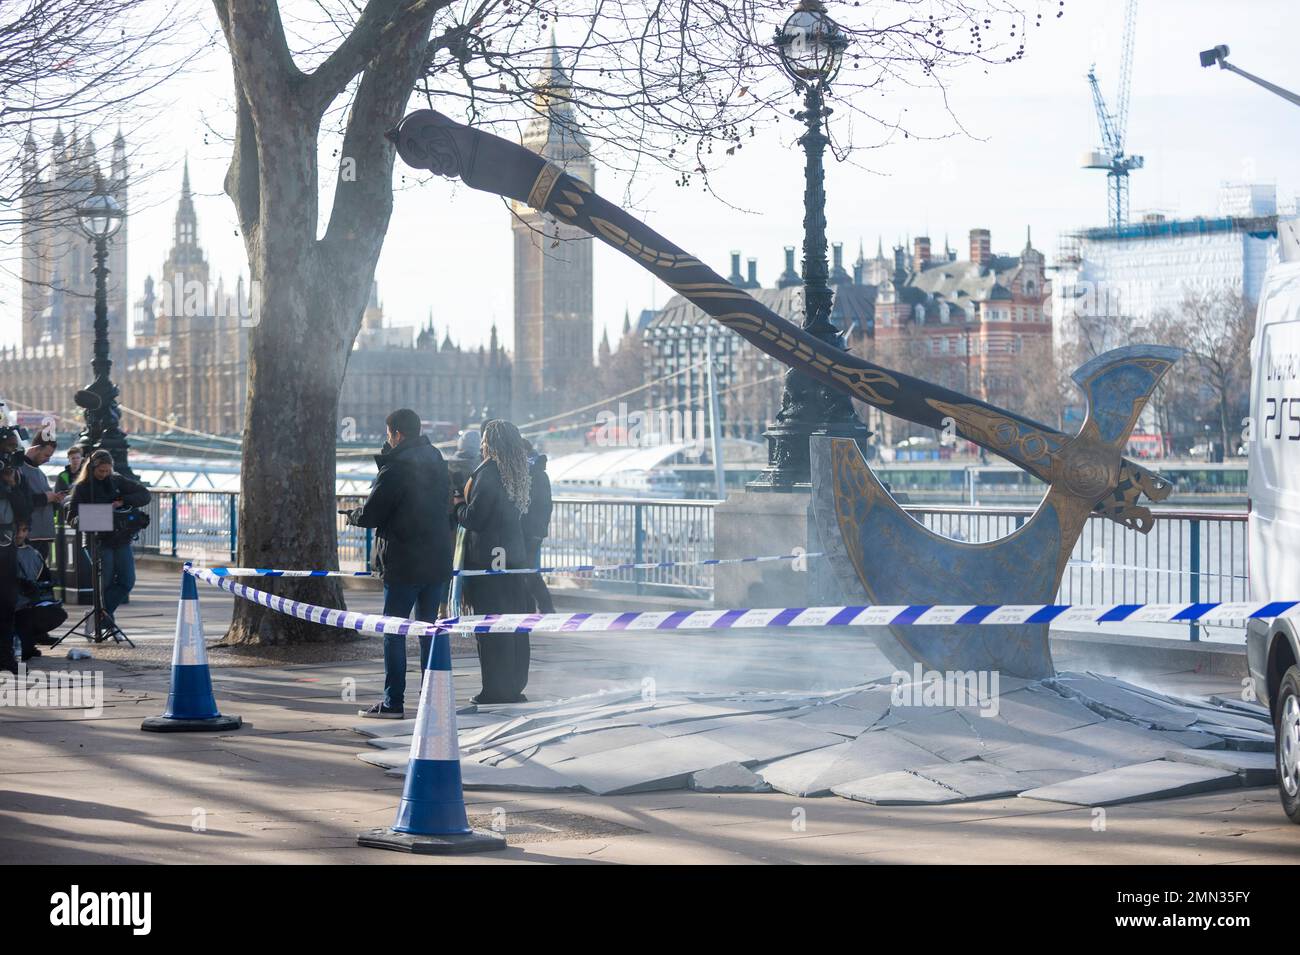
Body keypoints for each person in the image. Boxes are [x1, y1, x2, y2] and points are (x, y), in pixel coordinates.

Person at [347, 409, 453, 718]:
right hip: (436, 562)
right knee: (428, 632)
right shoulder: (437, 461)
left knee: (394, 632)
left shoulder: (396, 469)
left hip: (404, 562)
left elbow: (372, 514)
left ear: (397, 434)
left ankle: (393, 701)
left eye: (388, 433)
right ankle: (431, 700)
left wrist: (353, 515)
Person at [456, 419, 532, 704]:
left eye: (486, 439)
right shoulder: (518, 472)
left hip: (487, 561)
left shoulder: (489, 473)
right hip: (513, 560)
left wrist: (458, 507)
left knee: (489, 626)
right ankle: (513, 685)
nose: (483, 444)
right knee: (513, 625)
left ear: (492, 443)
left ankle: (494, 689)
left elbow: (476, 518)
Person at [66, 449, 150, 627]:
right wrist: (93, 515)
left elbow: (144, 495)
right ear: (91, 468)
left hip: (120, 538)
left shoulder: (117, 480)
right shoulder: (82, 488)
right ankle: (104, 622)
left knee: (127, 580)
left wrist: (122, 501)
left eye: (107, 471)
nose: (104, 474)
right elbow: (71, 517)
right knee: (106, 581)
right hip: (97, 541)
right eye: (100, 471)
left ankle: (99, 617)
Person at [13, 521, 66, 661]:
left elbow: (44, 580)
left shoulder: (34, 553)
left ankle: (30, 640)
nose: (20, 534)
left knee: (55, 613)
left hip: (29, 604)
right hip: (10, 604)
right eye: (18, 530)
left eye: (24, 530)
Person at [0, 455, 33, 674]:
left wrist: (11, 485)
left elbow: (24, 510)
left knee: (6, 604)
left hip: (6, 548)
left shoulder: (14, 480)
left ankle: (6, 657)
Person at [520, 440, 555, 614]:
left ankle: (545, 608)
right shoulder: (534, 471)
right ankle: (535, 608)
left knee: (529, 571)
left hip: (531, 532)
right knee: (527, 571)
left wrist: (537, 531)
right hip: (531, 531)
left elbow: (543, 505)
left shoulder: (536, 474)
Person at [20, 436, 64, 555]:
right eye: (46, 455)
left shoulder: (40, 472)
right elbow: (19, 501)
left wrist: (55, 499)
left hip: (41, 537)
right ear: (35, 449)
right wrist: (45, 498)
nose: (48, 460)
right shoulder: (19, 469)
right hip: (27, 537)